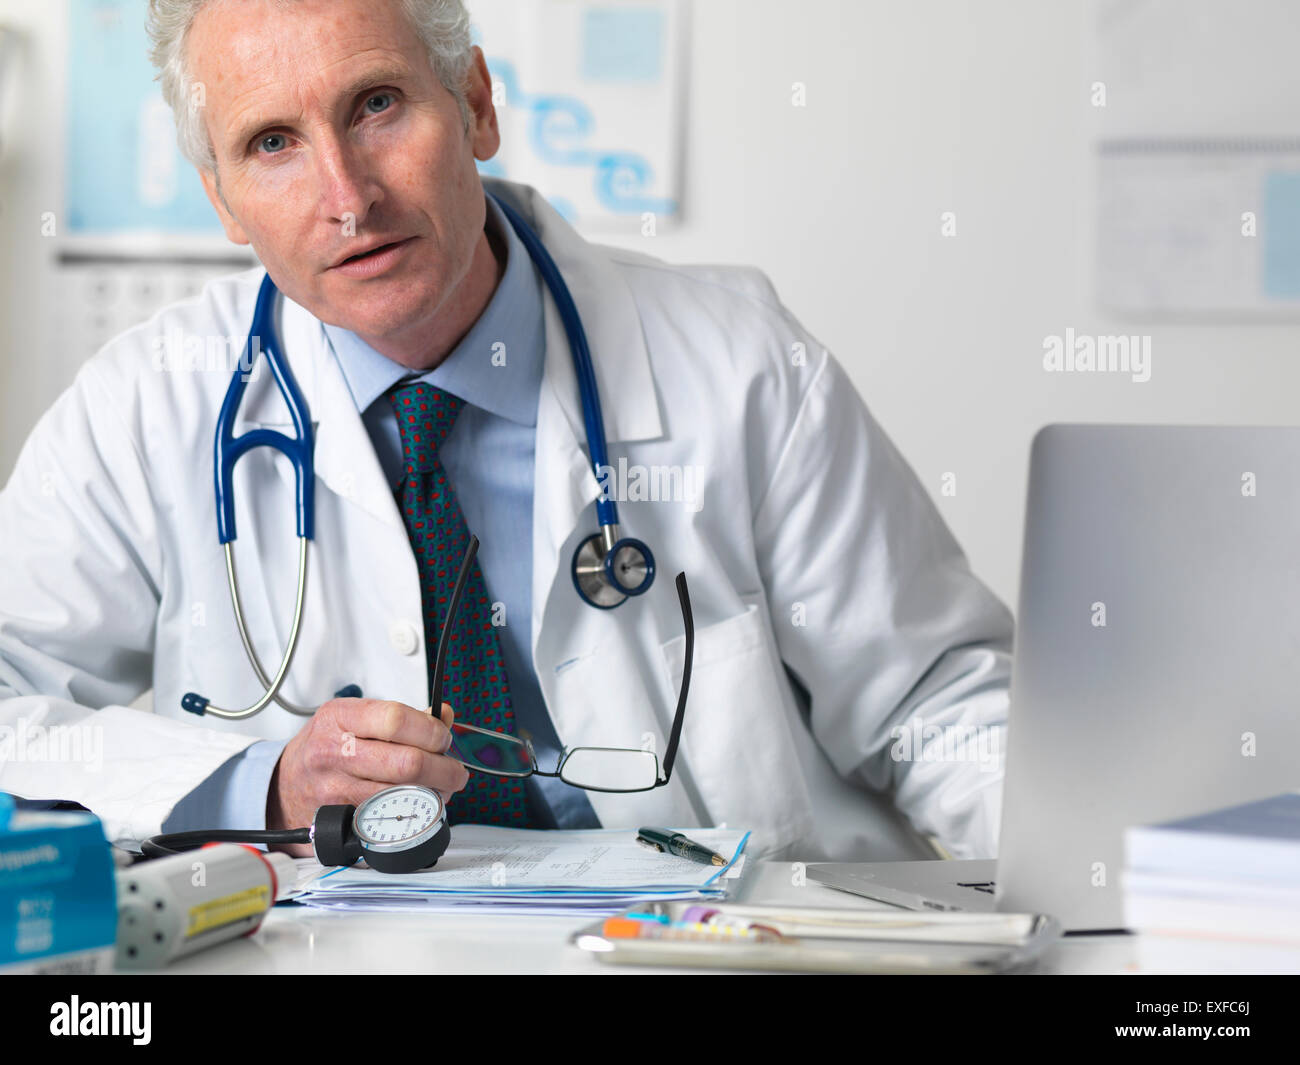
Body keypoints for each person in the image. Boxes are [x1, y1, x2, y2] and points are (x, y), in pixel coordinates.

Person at [0, 0, 1013, 862]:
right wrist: (262, 787)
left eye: (378, 105)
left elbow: (938, 705)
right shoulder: (144, 406)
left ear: (476, 104)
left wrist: (1112, 898)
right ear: (222, 199)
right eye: (273, 144)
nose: (347, 198)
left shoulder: (740, 362)